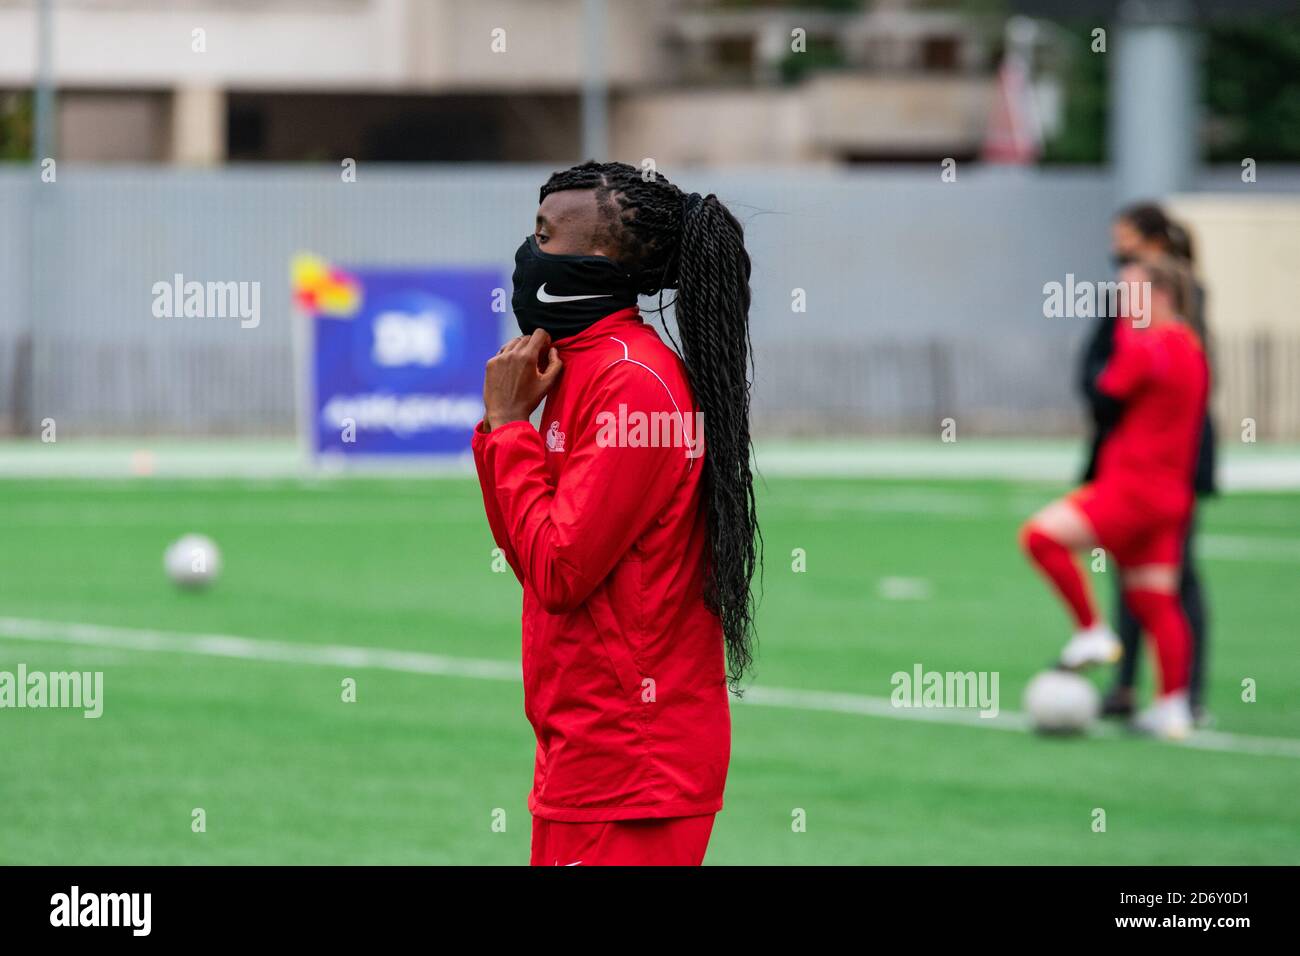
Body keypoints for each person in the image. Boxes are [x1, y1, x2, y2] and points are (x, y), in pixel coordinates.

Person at [471, 161, 760, 865]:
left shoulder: (633, 383)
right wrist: (505, 430)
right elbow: (538, 560)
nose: (527, 252)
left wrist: (508, 428)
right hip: (588, 754)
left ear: (599, 259)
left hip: (633, 766)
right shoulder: (580, 367)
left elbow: (561, 571)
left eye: (545, 234)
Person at [1023, 256, 1209, 739]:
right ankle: (1173, 706)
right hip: (1171, 494)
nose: (1122, 302)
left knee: (1040, 537)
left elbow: (1109, 389)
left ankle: (1092, 631)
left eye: (1131, 291)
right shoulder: (1190, 345)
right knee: (1155, 600)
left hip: (1134, 487)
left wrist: (1125, 328)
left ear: (1161, 295)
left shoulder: (1153, 344)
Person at [1081, 204, 1216, 723]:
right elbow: (1100, 372)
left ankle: (1183, 693)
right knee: (1134, 579)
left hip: (1165, 467)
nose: (1118, 251)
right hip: (1131, 463)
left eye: (1126, 240)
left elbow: (1125, 378)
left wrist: (1111, 388)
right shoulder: (1130, 299)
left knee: (1172, 580)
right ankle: (1129, 685)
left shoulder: (1173, 308)